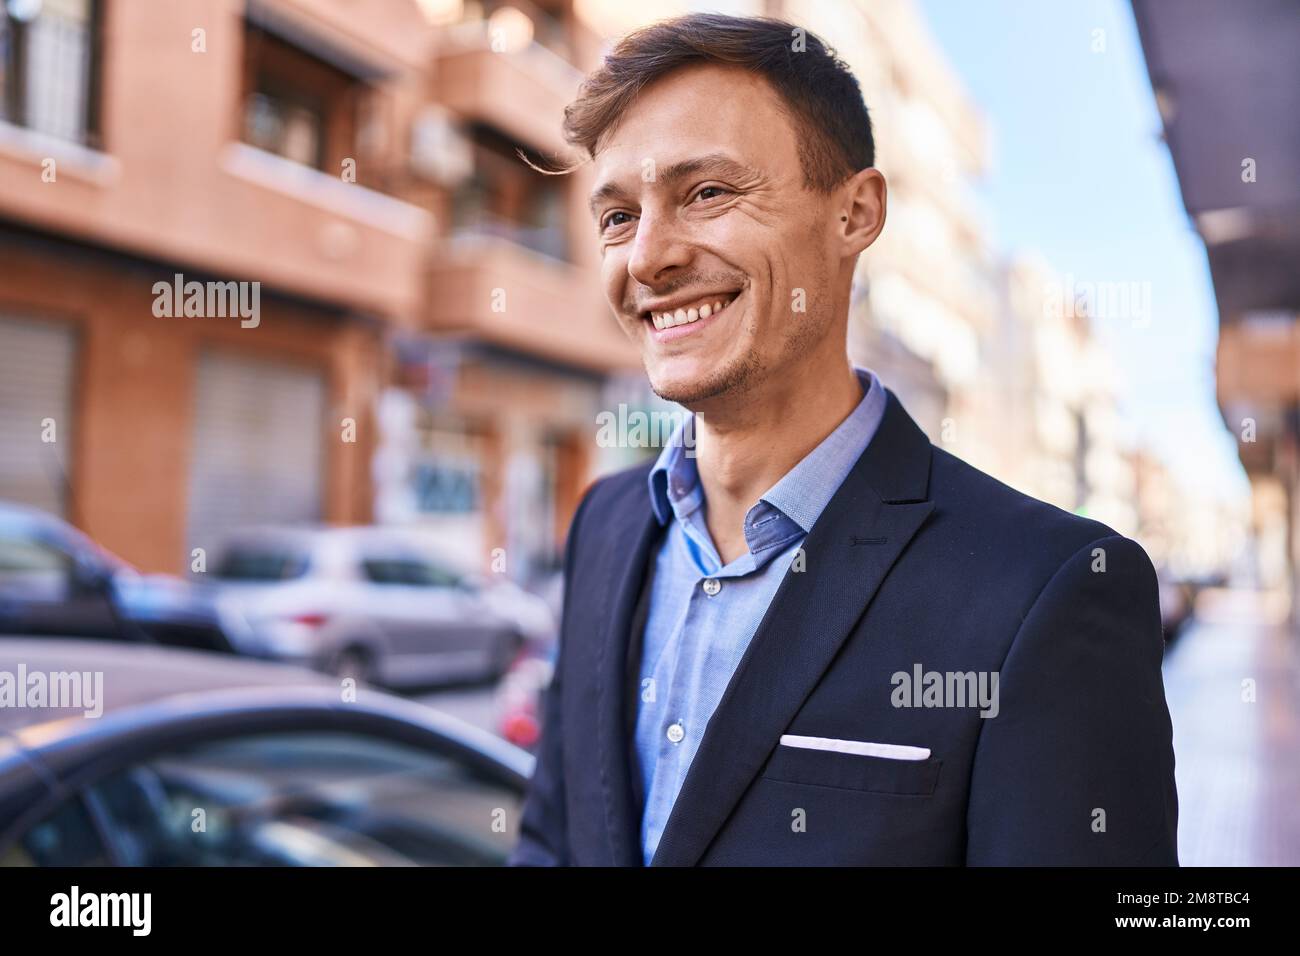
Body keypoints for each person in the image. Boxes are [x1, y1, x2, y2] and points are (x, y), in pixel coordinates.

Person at [509, 13, 1177, 866]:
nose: (646, 257)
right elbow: (550, 840)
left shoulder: (1049, 591)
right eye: (616, 216)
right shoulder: (602, 529)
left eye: (707, 193)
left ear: (855, 213)